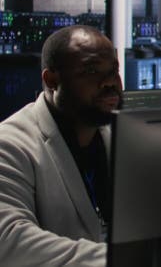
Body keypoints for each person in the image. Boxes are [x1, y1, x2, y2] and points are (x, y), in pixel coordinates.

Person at [0, 25, 123, 266]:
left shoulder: (119, 139)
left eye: (114, 71)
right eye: (91, 70)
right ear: (52, 80)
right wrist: (123, 259)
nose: (110, 82)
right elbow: (9, 241)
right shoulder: (10, 145)